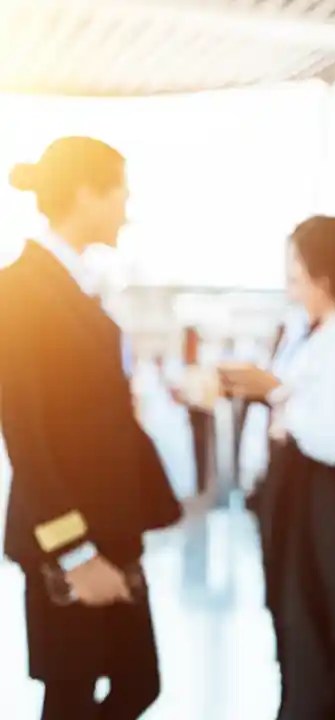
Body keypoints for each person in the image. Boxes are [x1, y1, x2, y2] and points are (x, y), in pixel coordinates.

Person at [0, 137, 181, 720]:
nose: (126, 210)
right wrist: (73, 552)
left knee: (136, 683)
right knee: (72, 694)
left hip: (109, 527)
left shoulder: (74, 283)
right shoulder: (18, 289)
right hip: (69, 533)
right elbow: (26, 434)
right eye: (120, 194)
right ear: (85, 194)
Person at [220, 217, 335, 719]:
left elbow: (333, 442)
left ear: (325, 276)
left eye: (297, 273)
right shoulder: (314, 334)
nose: (292, 286)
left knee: (317, 653)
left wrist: (275, 393)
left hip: (325, 527)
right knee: (300, 648)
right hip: (303, 521)